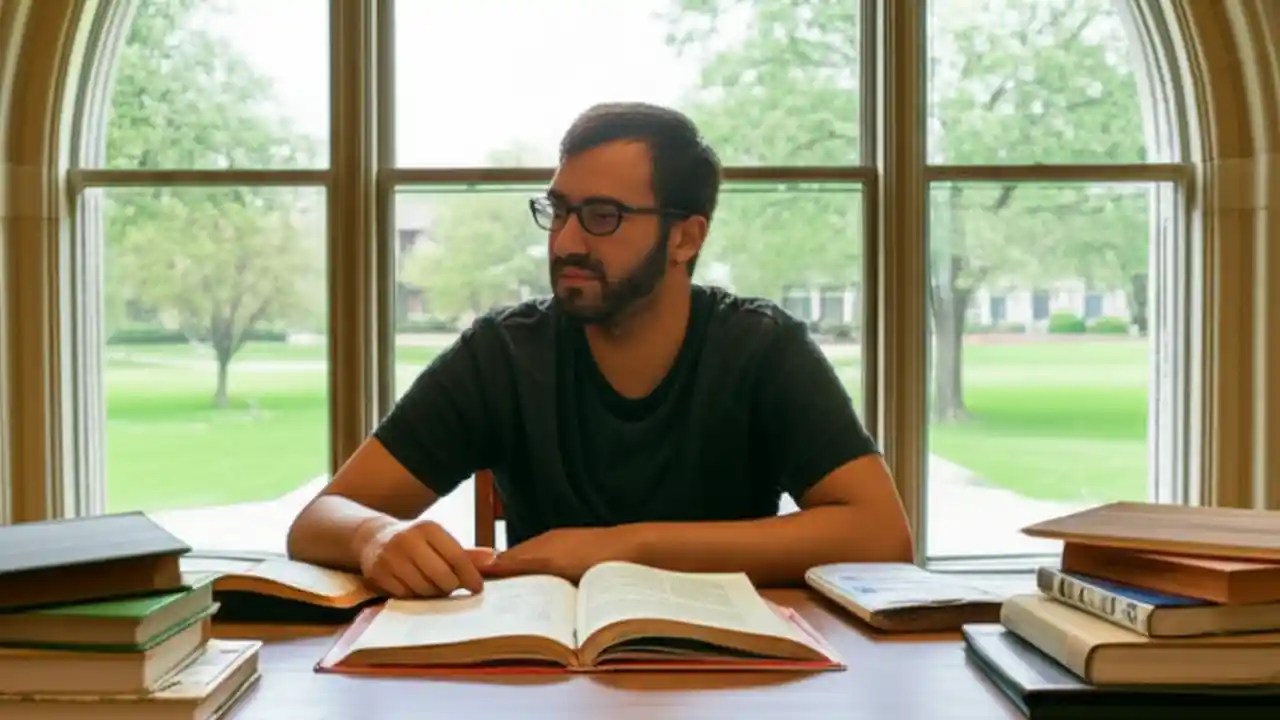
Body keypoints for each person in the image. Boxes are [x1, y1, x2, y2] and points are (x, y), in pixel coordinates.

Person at [286, 102, 913, 599]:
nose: (566, 242)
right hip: (549, 677)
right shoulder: (504, 354)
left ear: (685, 238)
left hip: (727, 681)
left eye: (603, 216)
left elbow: (882, 533)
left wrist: (624, 548)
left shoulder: (760, 348)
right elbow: (319, 520)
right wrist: (377, 537)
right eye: (559, 211)